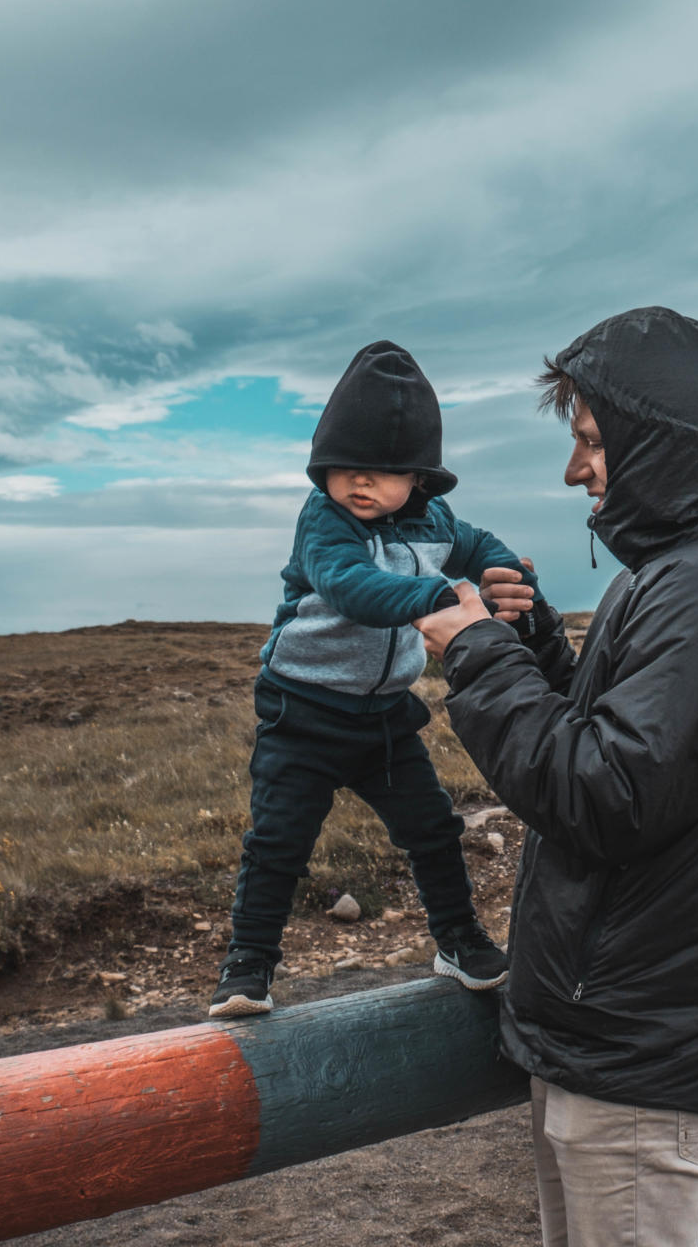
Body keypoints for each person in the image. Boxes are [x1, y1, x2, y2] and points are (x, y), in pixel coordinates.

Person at [413, 306, 698, 1244]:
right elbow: (614, 739)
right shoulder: (672, 572)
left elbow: (608, 795)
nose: (574, 467)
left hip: (633, 1045)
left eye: (590, 439)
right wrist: (534, 642)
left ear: (653, 441)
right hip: (607, 1034)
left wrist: (475, 658)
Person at [209, 339, 546, 1018]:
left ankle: (458, 942)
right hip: (300, 712)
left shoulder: (435, 520)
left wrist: (511, 578)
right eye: (344, 467)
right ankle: (248, 970)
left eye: (381, 471)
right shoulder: (323, 522)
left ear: (419, 478)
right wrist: (439, 601)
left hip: (386, 716)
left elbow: (482, 549)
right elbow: (353, 589)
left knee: (433, 829)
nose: (359, 482)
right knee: (278, 842)